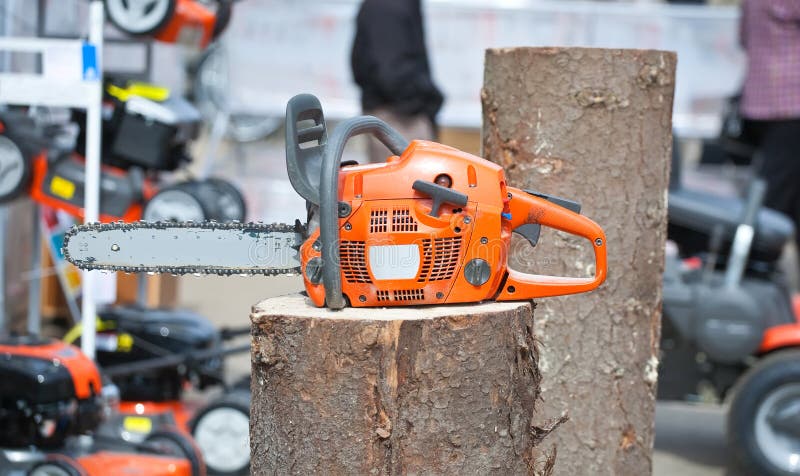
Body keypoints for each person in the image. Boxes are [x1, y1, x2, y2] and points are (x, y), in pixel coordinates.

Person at [740, 0, 800, 253]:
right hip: (791, 101)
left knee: (785, 193)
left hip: (760, 100)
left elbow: (742, 38)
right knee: (774, 198)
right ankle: (754, 262)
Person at [351, 0, 444, 163]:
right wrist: (425, 100)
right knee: (403, 186)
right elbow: (391, 74)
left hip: (400, 116)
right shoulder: (387, 8)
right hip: (399, 119)